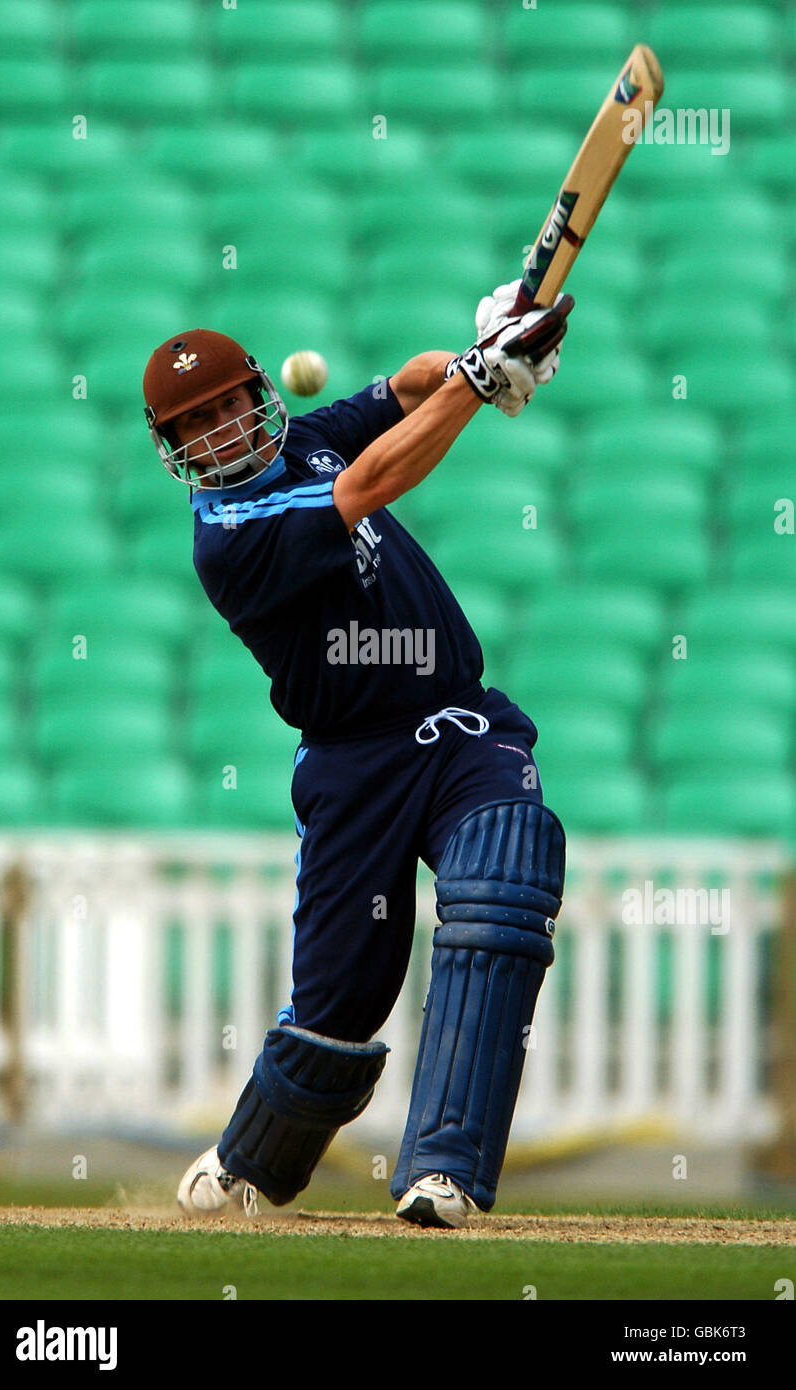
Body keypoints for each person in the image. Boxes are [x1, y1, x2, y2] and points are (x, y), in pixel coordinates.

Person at [142, 285, 569, 1229]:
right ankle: (249, 1160)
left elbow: (403, 391)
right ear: (174, 451)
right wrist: (476, 376)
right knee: (338, 1011)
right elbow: (372, 481)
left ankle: (443, 1170)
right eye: (193, 425)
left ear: (259, 392)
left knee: (506, 881)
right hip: (353, 765)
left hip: (462, 724)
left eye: (224, 406)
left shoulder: (307, 434)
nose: (217, 434)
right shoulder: (230, 538)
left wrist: (487, 345)